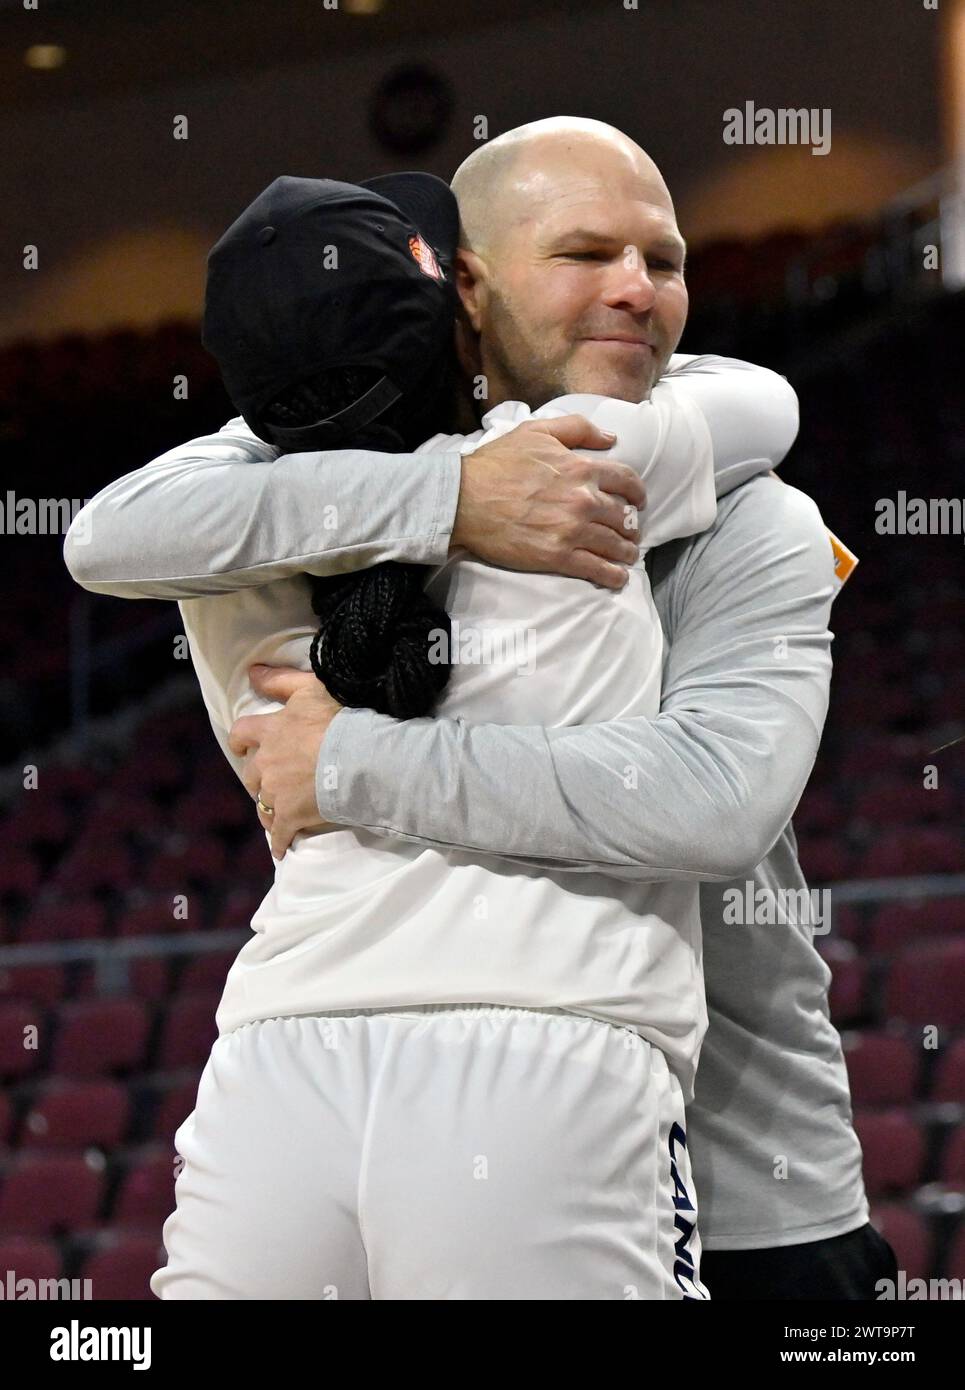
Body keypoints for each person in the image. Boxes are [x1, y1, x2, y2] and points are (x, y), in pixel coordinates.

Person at [65, 116, 895, 1300]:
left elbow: (712, 800)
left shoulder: (744, 507)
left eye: (663, 262)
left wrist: (349, 761)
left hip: (756, 1190)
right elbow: (111, 530)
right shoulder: (338, 472)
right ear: (466, 283)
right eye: (585, 253)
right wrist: (445, 497)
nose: (636, 290)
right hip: (475, 1087)